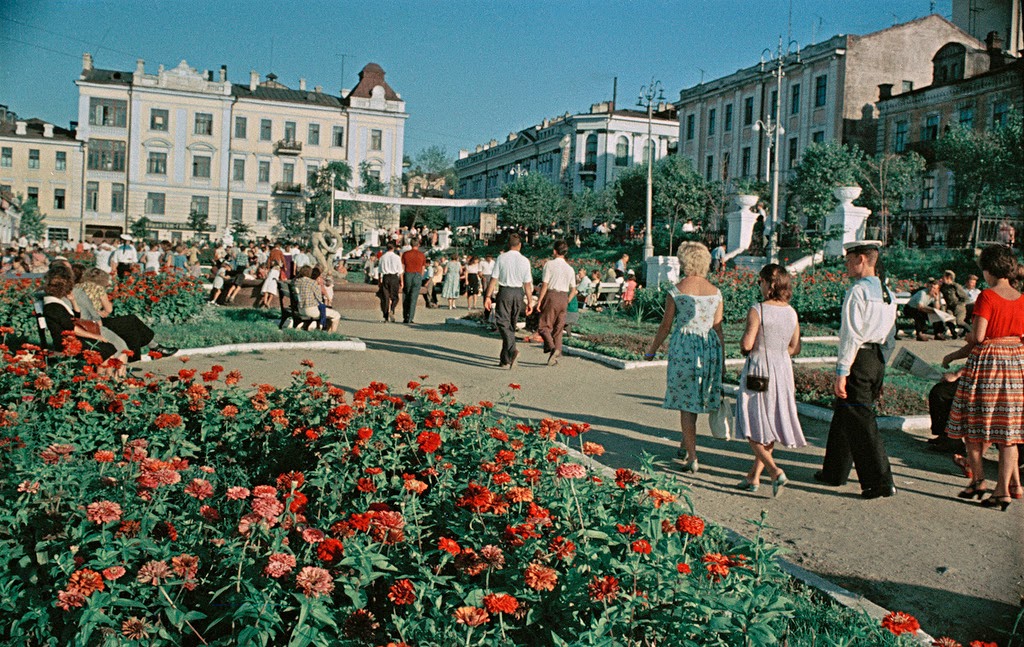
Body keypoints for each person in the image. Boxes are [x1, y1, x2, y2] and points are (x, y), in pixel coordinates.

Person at [942, 245, 1024, 510]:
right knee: (1008, 432)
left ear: (989, 270)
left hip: (989, 366)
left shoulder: (987, 296)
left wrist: (961, 345)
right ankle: (1004, 490)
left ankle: (979, 480)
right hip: (1015, 365)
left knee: (974, 425)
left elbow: (978, 337)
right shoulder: (1021, 298)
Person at [815, 240, 898, 499]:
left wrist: (842, 372)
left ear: (861, 259)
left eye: (849, 260)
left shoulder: (858, 291)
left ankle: (879, 481)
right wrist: (880, 367)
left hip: (858, 359)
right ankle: (834, 471)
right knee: (845, 414)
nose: (846, 265)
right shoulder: (888, 293)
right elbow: (890, 335)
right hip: (876, 358)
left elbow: (851, 335)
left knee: (861, 419)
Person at [644, 242, 724, 472]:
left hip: (684, 348)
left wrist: (652, 350)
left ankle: (692, 457)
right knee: (696, 398)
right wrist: (723, 361)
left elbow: (665, 326)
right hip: (709, 348)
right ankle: (685, 443)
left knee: (686, 403)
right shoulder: (716, 292)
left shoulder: (677, 291)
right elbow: (718, 328)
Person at [734, 264, 805, 495]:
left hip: (759, 369)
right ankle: (754, 477)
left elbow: (747, 344)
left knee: (750, 421)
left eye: (761, 281)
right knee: (770, 422)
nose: (760, 286)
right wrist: (778, 353)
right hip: (782, 370)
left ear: (770, 284)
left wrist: (748, 347)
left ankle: (774, 471)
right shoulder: (791, 312)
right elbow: (795, 347)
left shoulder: (758, 310)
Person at [74, 267, 177, 360]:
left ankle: (152, 348)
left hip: (82, 321)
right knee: (131, 322)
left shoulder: (78, 287)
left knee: (130, 323)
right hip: (95, 323)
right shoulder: (98, 288)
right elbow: (109, 310)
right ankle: (151, 349)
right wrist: (101, 312)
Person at [41, 269, 126, 371]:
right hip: (66, 342)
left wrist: (73, 301)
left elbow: (76, 317)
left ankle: (107, 377)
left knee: (108, 348)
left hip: (71, 338)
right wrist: (96, 336)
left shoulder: (55, 303)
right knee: (105, 349)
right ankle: (101, 378)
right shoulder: (53, 307)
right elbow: (71, 327)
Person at [484, 233, 533, 369]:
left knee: (502, 321)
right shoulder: (525, 261)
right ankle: (505, 359)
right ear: (520, 245)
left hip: (505, 292)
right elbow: (527, 284)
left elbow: (494, 279)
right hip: (518, 293)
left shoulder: (501, 258)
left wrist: (488, 296)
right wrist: (530, 301)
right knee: (511, 324)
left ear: (508, 245)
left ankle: (512, 350)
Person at [536, 240, 577, 366]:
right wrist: (567, 300)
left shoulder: (549, 264)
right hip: (564, 297)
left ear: (554, 251)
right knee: (558, 329)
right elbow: (574, 290)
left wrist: (540, 300)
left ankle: (552, 347)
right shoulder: (570, 269)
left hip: (552, 295)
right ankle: (554, 356)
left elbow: (545, 284)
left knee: (543, 326)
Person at [294, 266, 340, 332]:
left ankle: (325, 333)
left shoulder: (296, 282)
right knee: (336, 315)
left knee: (328, 313)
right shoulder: (312, 282)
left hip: (300, 309)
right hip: (311, 310)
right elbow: (319, 298)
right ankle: (331, 335)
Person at [400, 238, 427, 324]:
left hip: (408, 274)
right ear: (418, 244)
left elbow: (402, 267)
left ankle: (405, 316)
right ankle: (410, 318)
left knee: (406, 295)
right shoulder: (422, 255)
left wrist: (402, 279)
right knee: (414, 297)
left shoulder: (406, 254)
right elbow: (423, 268)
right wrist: (420, 276)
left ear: (410, 244)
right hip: (417, 275)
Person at [938, 270, 968, 338]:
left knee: (959, 322)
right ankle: (954, 333)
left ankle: (971, 331)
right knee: (947, 318)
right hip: (949, 307)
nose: (942, 278)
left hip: (959, 306)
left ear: (949, 277)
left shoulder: (955, 286)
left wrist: (960, 305)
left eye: (943, 277)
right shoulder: (943, 287)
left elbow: (964, 297)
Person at [377, 242, 402, 322]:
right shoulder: (397, 257)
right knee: (395, 297)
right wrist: (401, 281)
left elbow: (379, 270)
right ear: (393, 248)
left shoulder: (382, 257)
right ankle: (392, 309)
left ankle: (385, 315)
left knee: (385, 297)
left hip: (386, 277)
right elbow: (400, 270)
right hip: (394, 277)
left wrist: (379, 280)